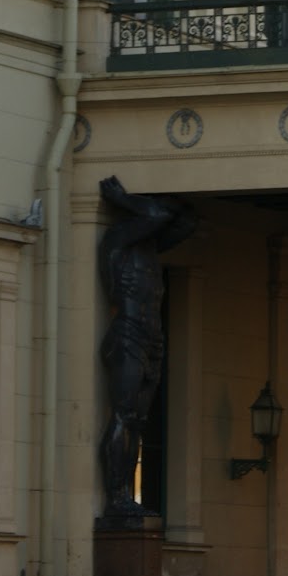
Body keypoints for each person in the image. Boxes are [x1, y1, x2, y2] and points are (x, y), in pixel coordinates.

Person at [97, 176, 196, 521]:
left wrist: (168, 197)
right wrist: (124, 199)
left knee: (138, 420)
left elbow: (185, 221)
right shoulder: (118, 239)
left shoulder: (151, 248)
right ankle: (116, 494)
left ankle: (124, 496)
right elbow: (156, 214)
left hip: (152, 337)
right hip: (128, 333)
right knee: (124, 415)